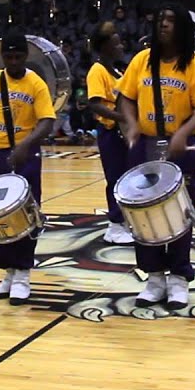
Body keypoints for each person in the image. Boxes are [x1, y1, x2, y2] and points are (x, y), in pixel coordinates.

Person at [115, 3, 195, 310]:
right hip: (146, 144)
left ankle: (179, 278)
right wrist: (132, 124)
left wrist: (182, 133)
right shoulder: (142, 60)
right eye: (160, 19)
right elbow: (125, 98)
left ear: (182, 27)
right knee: (142, 213)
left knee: (180, 214)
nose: (164, 24)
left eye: (171, 20)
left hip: (183, 145)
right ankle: (155, 277)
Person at [0, 33, 56, 305]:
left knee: (27, 216)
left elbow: (47, 121)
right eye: (9, 57)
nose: (14, 61)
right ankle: (8, 271)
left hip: (26, 155)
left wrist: (25, 145)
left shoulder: (36, 83)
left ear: (26, 56)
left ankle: (23, 275)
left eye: (18, 57)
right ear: (3, 57)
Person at [86, 22, 134, 244]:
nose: (121, 46)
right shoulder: (97, 71)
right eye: (116, 43)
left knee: (128, 178)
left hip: (123, 133)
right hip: (110, 132)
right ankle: (114, 226)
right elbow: (95, 104)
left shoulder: (117, 70)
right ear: (104, 47)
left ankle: (126, 221)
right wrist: (123, 118)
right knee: (115, 178)